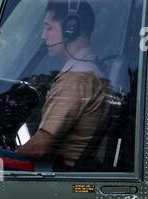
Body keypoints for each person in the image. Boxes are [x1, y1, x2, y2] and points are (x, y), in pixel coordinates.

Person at [18, 1, 109, 168]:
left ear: (71, 29)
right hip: (68, 172)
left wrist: (12, 154)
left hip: (57, 172)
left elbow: (40, 147)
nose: (43, 36)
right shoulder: (92, 72)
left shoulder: (77, 78)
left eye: (49, 28)